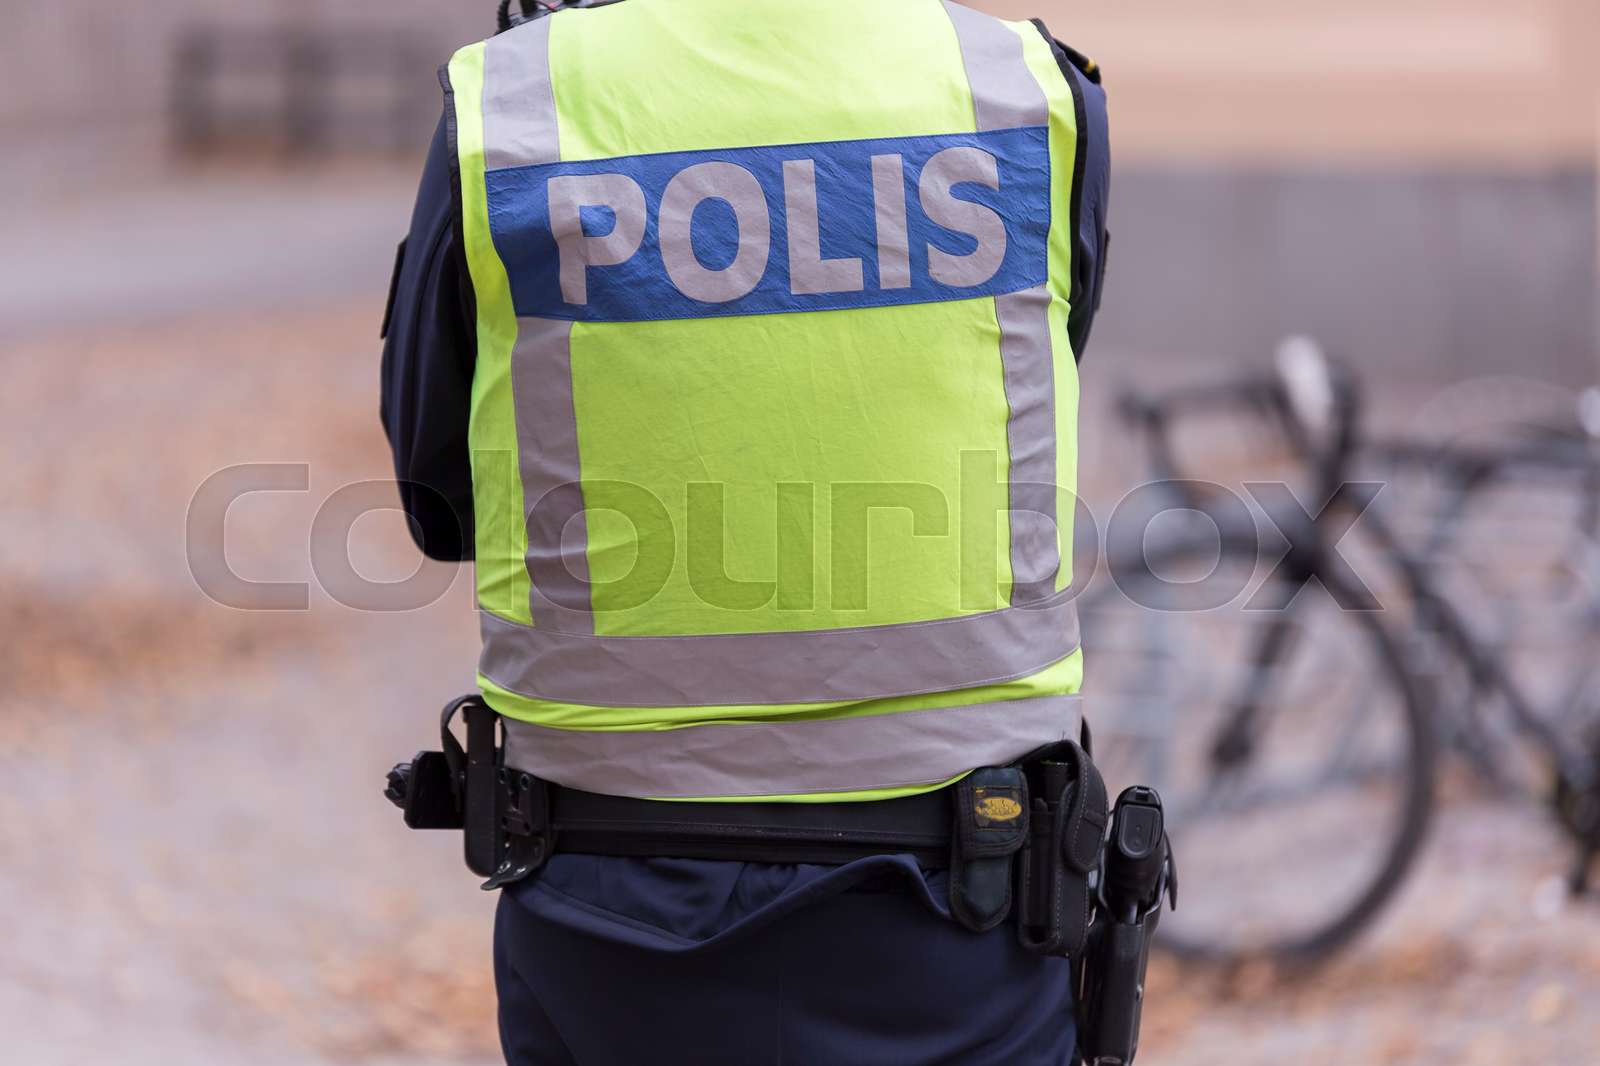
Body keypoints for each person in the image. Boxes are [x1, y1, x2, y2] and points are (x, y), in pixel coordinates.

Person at [381, 1, 1113, 1062]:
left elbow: (437, 503)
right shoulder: (1020, 86)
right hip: (967, 895)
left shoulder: (519, 99)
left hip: (607, 897)